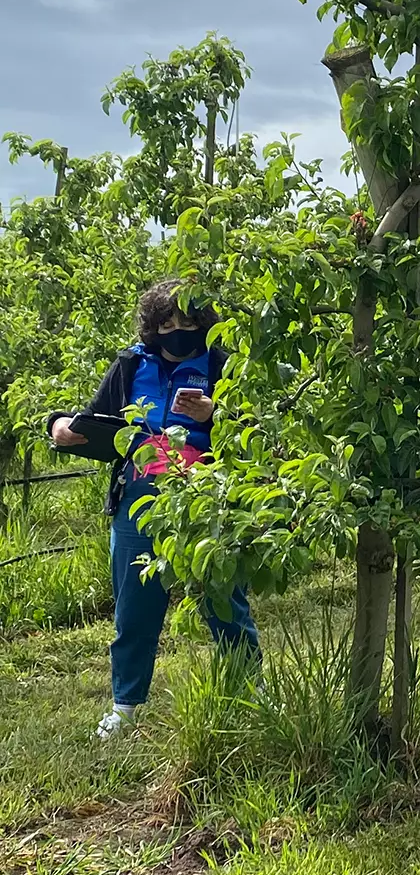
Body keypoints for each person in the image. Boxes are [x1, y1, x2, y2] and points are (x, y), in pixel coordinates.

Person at [47, 279, 259, 741]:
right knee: (134, 608)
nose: (178, 332)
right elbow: (92, 419)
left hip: (208, 502)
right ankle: (126, 706)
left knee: (224, 601)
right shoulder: (130, 365)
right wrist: (57, 425)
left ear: (204, 323)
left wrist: (212, 416)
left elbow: (254, 432)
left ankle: (249, 693)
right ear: (153, 327)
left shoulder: (222, 366)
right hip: (138, 501)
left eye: (188, 322)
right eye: (168, 323)